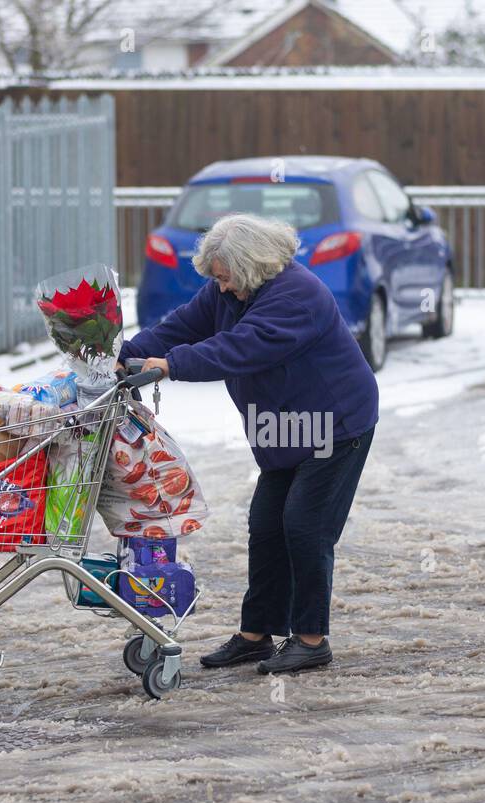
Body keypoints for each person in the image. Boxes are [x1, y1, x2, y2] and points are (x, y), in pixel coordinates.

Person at [118, 213, 379, 674]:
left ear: (251, 265)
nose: (219, 287)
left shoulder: (297, 296)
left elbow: (240, 348)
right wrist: (124, 356)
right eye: (216, 279)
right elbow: (180, 326)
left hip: (334, 423)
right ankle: (257, 635)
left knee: (305, 526)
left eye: (224, 278)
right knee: (266, 525)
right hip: (282, 427)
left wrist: (169, 366)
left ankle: (312, 640)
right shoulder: (230, 290)